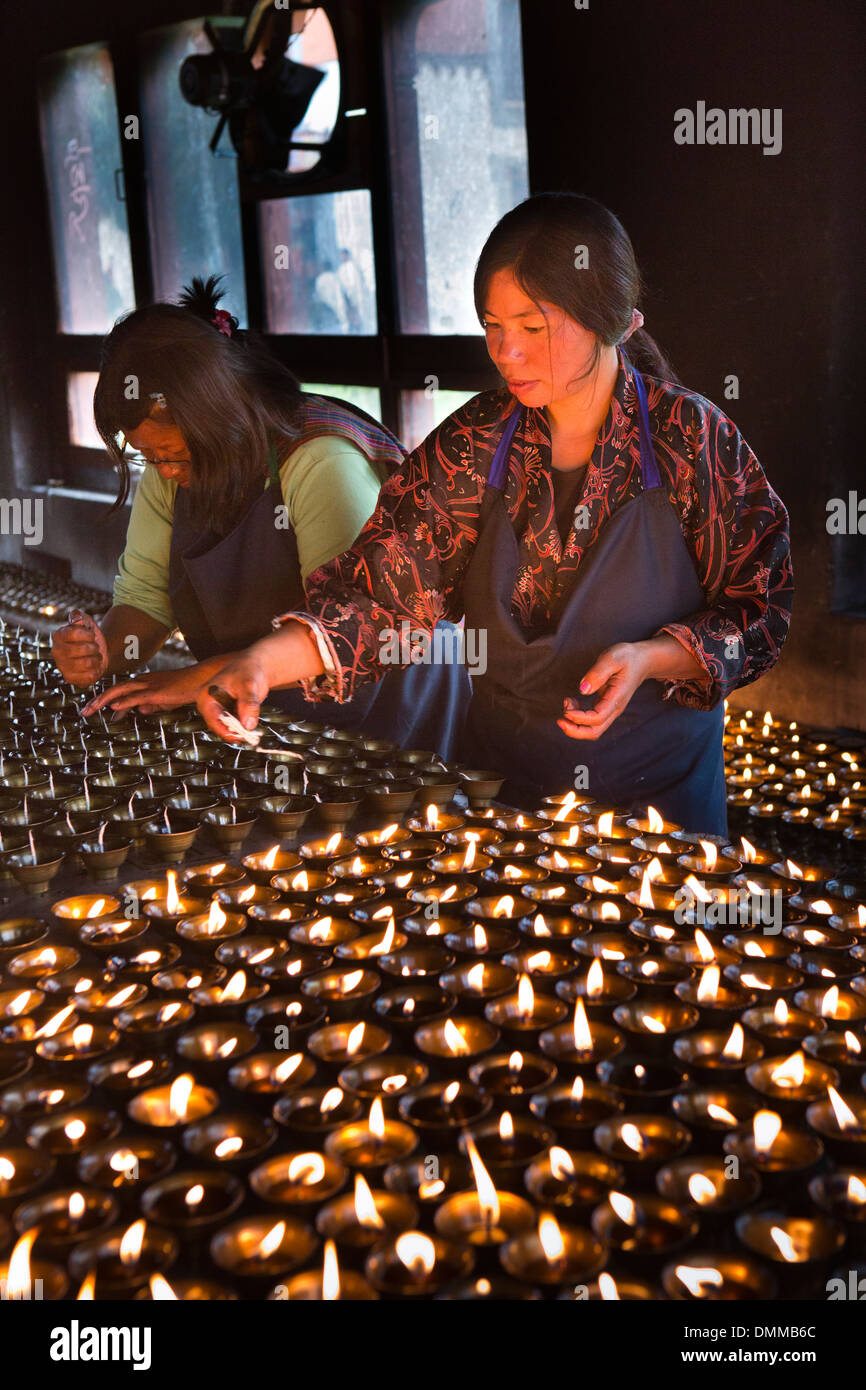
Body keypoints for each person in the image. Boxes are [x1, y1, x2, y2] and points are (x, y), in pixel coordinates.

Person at [119, 195, 792, 836]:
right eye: (493, 329)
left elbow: (758, 611)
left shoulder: (690, 440)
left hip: (662, 795)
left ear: (613, 320)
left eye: (532, 328)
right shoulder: (474, 445)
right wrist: (263, 662)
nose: (507, 354)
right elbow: (380, 597)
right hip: (511, 787)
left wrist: (655, 658)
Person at [52, 274, 469, 755]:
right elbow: (146, 599)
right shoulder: (168, 472)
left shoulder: (319, 459)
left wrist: (194, 679)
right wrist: (103, 650)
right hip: (268, 705)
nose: (164, 471)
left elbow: (346, 629)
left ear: (217, 417)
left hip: (390, 703)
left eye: (176, 455)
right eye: (149, 456)